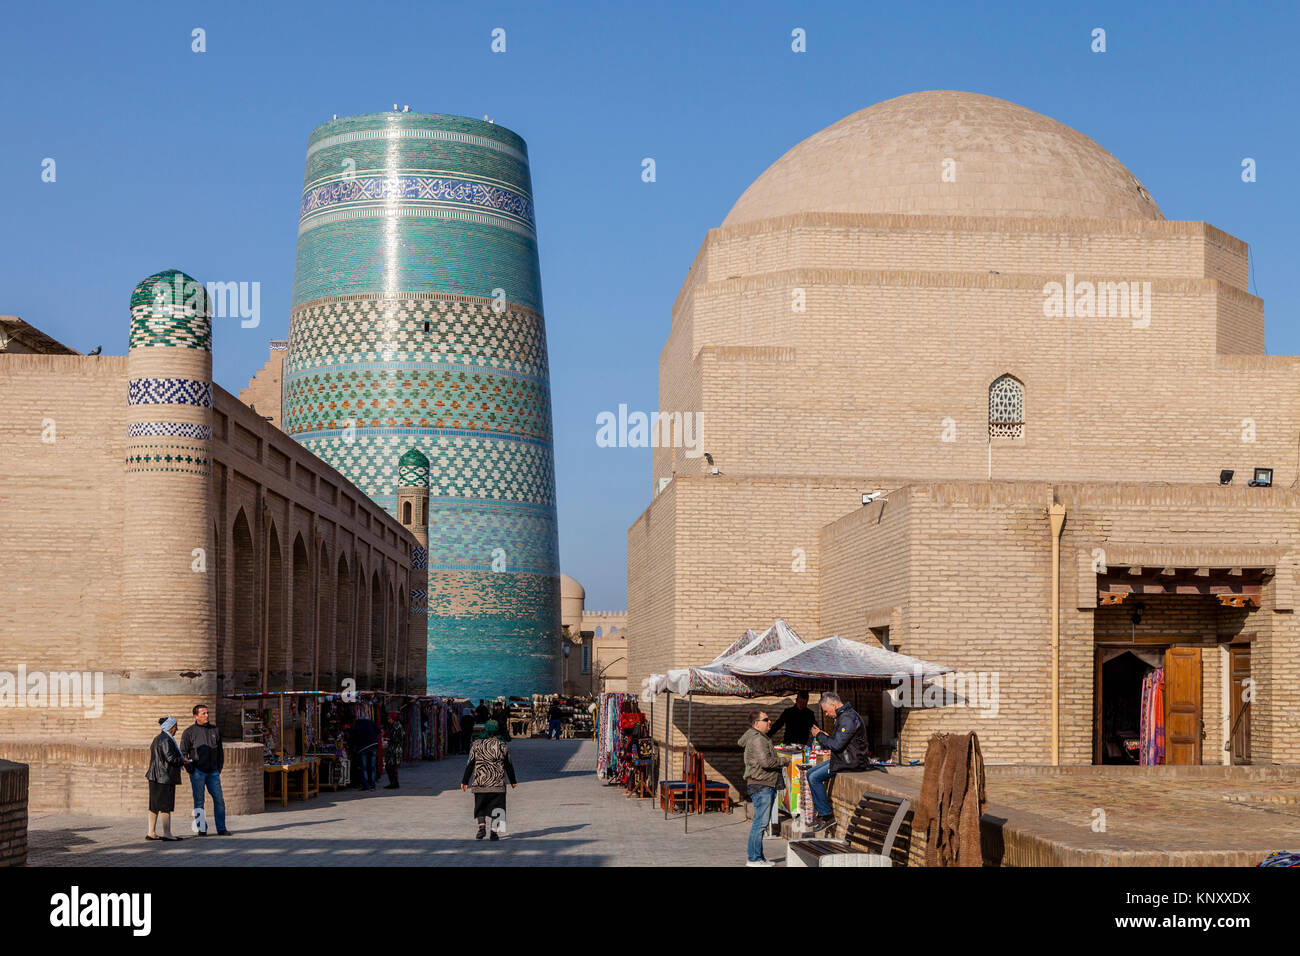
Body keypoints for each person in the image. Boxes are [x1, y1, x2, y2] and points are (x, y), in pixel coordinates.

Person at [805, 692, 871, 833]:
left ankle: (827, 815)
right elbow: (840, 740)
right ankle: (821, 814)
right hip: (842, 759)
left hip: (851, 762)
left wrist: (820, 736)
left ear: (834, 705)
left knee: (814, 777)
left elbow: (836, 745)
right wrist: (826, 736)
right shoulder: (844, 716)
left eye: (826, 711)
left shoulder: (847, 718)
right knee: (809, 772)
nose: (827, 715)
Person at [739, 709, 790, 866]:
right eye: (766, 719)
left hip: (763, 784)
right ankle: (753, 859)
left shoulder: (759, 737)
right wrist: (783, 761)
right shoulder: (758, 740)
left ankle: (758, 858)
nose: (770, 722)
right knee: (760, 824)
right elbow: (766, 762)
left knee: (760, 823)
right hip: (762, 785)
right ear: (756, 724)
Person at [461, 720, 517, 841]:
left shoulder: (476, 744)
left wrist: (465, 781)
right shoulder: (502, 745)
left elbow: (470, 764)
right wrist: (513, 780)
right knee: (498, 808)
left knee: (480, 806)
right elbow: (508, 764)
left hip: (480, 782)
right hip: (497, 783)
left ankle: (481, 829)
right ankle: (494, 832)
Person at [181, 704, 229, 836]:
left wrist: (219, 768)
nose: (207, 715)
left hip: (213, 772)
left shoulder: (215, 730)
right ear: (196, 716)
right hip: (197, 772)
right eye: (203, 713)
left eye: (207, 713)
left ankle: (221, 828)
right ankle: (201, 828)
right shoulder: (189, 732)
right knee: (199, 801)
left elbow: (220, 751)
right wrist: (190, 768)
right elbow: (183, 753)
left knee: (219, 800)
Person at [146, 716, 189, 841]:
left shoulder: (157, 738)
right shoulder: (166, 740)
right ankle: (167, 834)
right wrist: (183, 761)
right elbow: (170, 758)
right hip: (164, 777)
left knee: (154, 805)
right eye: (175, 727)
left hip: (154, 776)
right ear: (170, 727)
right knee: (165, 806)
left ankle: (151, 832)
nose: (177, 729)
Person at [348, 708, 381, 791]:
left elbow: (352, 737)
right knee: (372, 767)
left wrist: (352, 747)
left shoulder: (356, 724)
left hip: (363, 747)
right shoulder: (370, 722)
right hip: (373, 745)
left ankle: (366, 785)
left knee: (364, 767)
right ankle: (372, 785)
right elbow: (378, 731)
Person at [383, 712, 405, 789]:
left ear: (393, 718)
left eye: (389, 718)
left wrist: (387, 739)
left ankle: (394, 783)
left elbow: (396, 738)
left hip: (395, 749)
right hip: (394, 748)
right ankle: (394, 783)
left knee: (390, 766)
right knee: (391, 767)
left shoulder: (396, 726)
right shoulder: (395, 725)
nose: (388, 720)